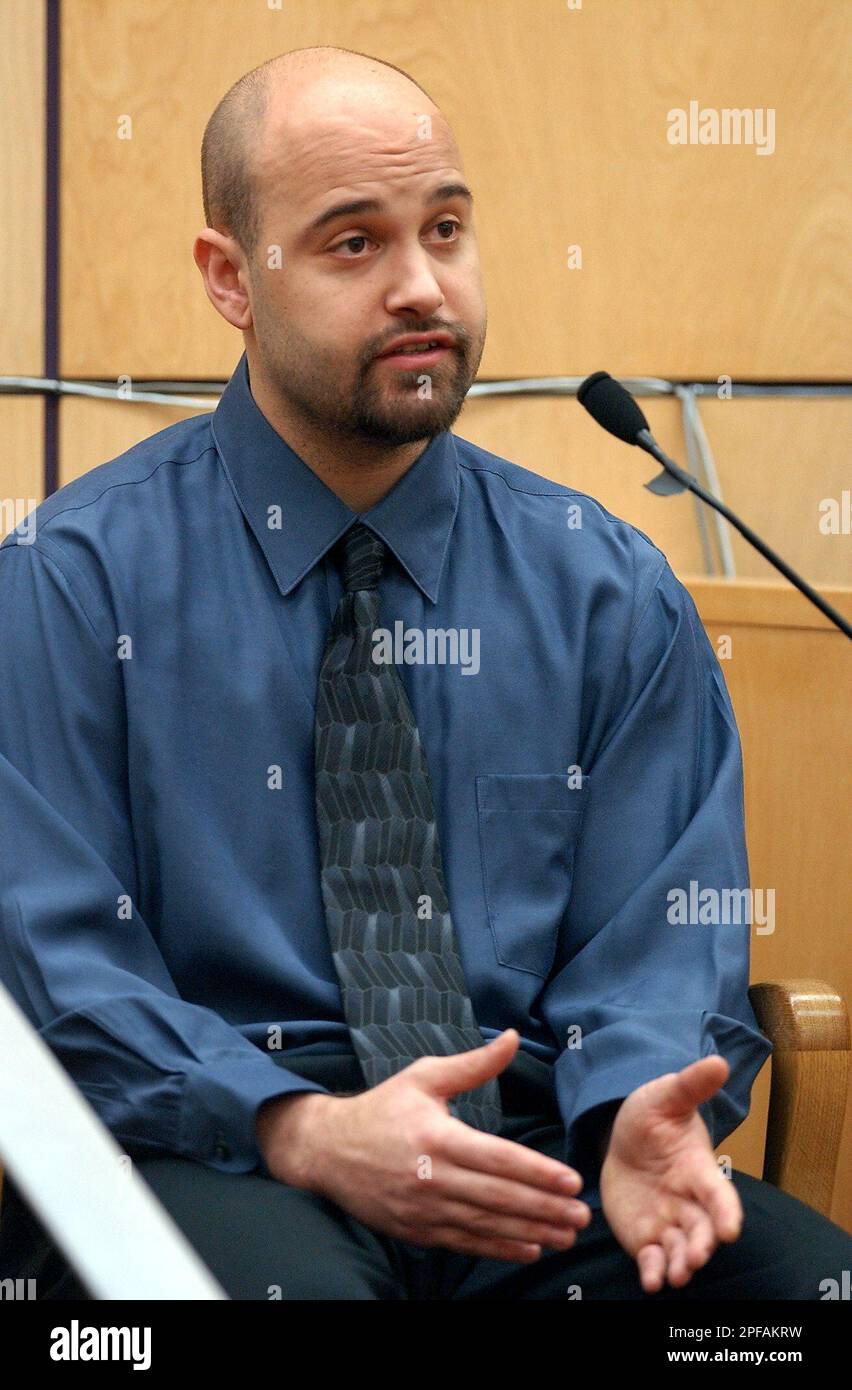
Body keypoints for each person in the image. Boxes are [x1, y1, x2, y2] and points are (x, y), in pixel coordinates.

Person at [1, 45, 850, 1302]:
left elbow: (665, 938)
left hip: (537, 1159)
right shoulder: (70, 584)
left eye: (445, 229)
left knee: (801, 1298)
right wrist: (297, 1123)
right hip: (213, 1155)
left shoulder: (605, 588)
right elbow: (50, 976)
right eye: (354, 243)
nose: (422, 286)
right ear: (233, 278)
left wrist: (628, 1113)